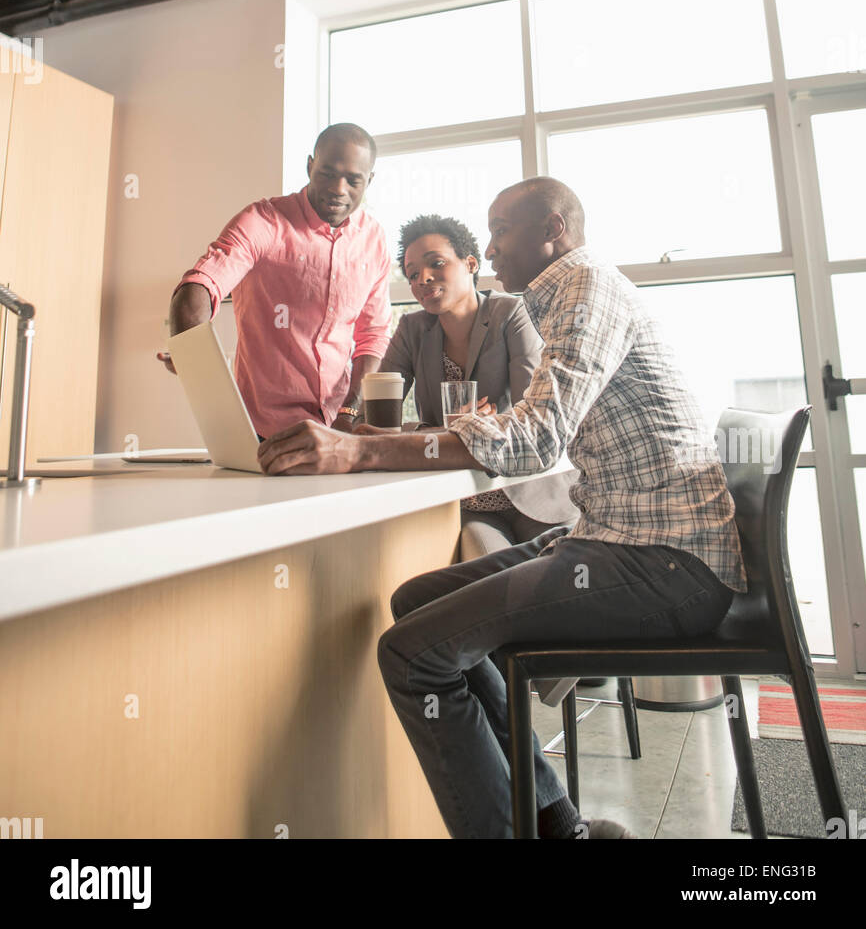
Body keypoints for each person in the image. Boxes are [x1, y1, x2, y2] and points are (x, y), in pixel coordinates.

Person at [256, 177, 747, 840]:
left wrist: (361, 453)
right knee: (416, 605)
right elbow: (522, 426)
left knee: (411, 653)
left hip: (661, 564)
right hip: (613, 538)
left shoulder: (583, 291)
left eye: (499, 231)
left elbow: (535, 440)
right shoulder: (558, 298)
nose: (488, 250)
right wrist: (398, 439)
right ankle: (555, 824)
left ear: (554, 228)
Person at [159, 123, 391, 438]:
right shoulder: (265, 220)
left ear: (370, 180)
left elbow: (373, 336)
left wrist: (350, 412)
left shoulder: (373, 239)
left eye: (353, 180)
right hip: (262, 432)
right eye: (327, 173)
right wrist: (191, 352)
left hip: (340, 429)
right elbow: (203, 282)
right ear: (310, 166)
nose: (339, 188)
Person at [378, 212, 578, 558]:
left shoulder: (511, 313)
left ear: (470, 263)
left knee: (555, 571)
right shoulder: (411, 330)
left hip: (531, 491)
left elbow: (529, 414)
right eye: (412, 274)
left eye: (436, 264)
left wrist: (484, 423)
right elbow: (380, 421)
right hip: (467, 499)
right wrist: (442, 428)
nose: (422, 279)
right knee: (489, 569)